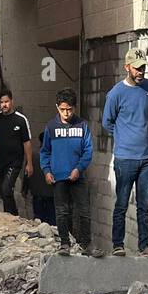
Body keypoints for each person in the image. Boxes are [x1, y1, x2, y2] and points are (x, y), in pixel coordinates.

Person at [102, 47, 148, 258]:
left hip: (147, 157)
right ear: (127, 67)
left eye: (143, 67)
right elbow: (107, 122)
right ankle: (118, 244)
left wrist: (140, 133)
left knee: (144, 206)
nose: (141, 71)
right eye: (137, 68)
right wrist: (124, 137)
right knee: (122, 203)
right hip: (125, 158)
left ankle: (144, 246)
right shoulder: (116, 93)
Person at [40, 88, 102, 257]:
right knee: (62, 211)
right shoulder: (51, 127)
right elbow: (45, 151)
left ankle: (86, 243)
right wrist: (46, 171)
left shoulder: (82, 125)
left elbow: (88, 150)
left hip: (78, 176)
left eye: (70, 109)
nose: (66, 113)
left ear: (75, 108)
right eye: (63, 109)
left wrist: (79, 168)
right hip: (58, 177)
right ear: (57, 107)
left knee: (84, 211)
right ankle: (64, 243)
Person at [0, 89, 33, 217]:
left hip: (15, 162)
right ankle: (8, 217)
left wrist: (29, 163)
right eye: (2, 102)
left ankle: (13, 217)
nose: (4, 105)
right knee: (3, 193)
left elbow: (27, 143)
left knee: (6, 189)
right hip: (0, 161)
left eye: (7, 101)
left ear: (12, 101)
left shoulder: (20, 120)